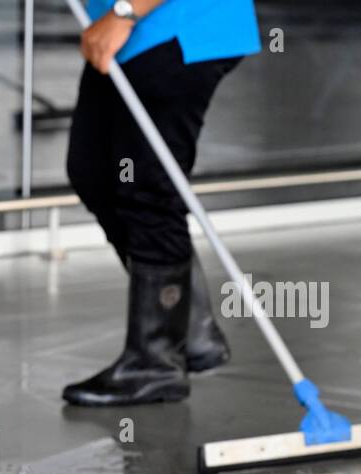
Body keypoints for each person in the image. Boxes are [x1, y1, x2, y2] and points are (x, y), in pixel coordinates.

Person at [61, 0, 260, 407]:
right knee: (95, 173)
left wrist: (125, 13)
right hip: (124, 34)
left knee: (148, 188)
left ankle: (155, 361)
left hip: (174, 26)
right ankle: (190, 330)